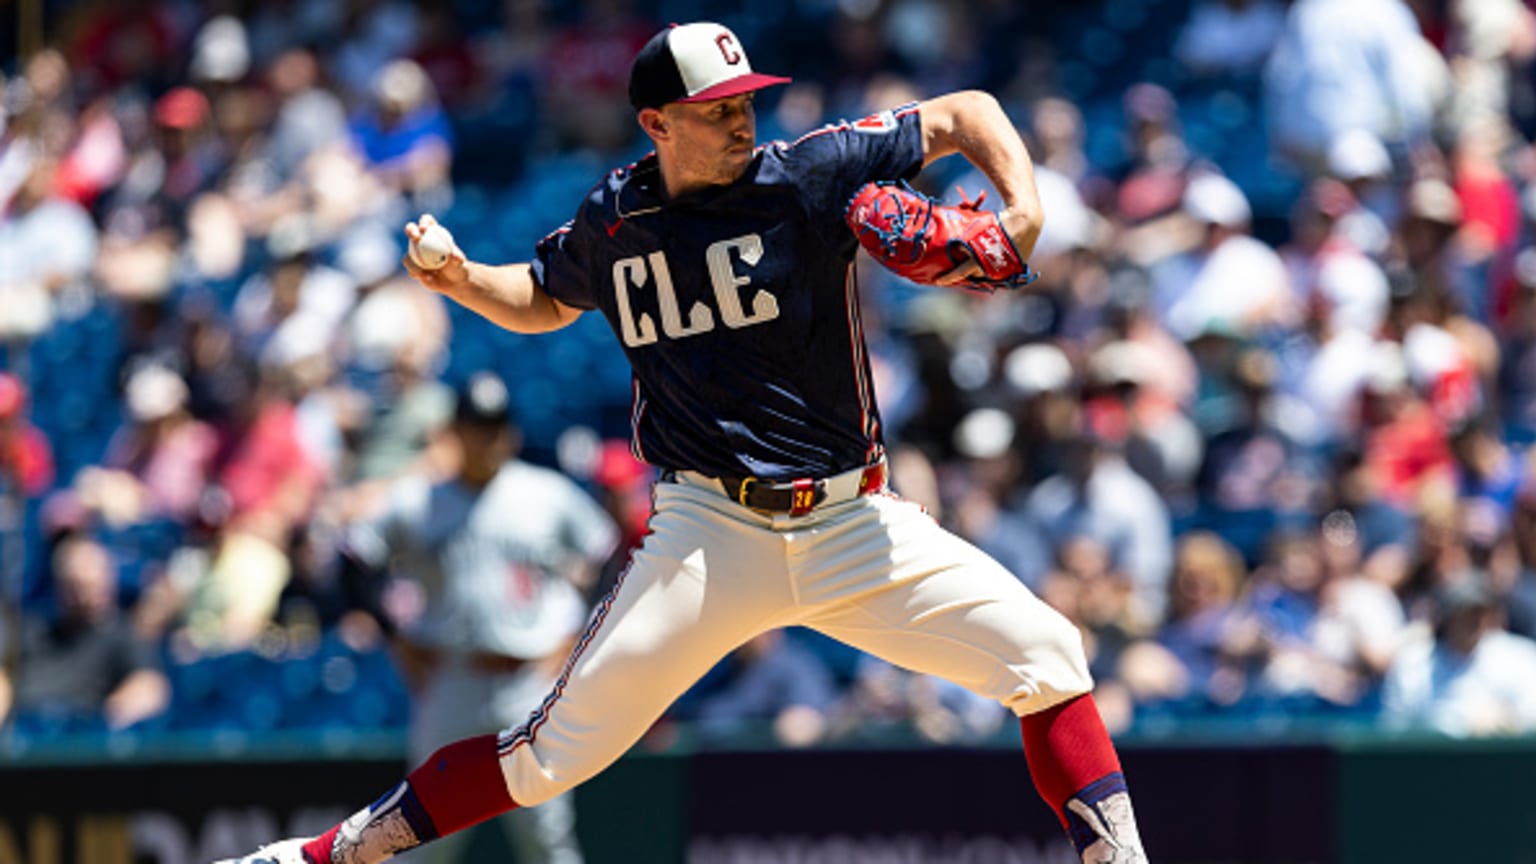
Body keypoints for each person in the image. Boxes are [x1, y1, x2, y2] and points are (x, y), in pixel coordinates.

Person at [220, 22, 1152, 864]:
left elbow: (966, 110)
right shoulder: (616, 216)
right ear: (657, 123)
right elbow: (545, 298)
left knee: (1050, 656)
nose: (741, 120)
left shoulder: (810, 171)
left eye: (746, 101)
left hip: (853, 519)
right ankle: (322, 860)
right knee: (547, 759)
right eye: (715, 110)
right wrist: (462, 277)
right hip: (711, 531)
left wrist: (1020, 212)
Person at [346, 371, 616, 864]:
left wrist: (578, 632)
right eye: (475, 425)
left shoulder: (544, 493)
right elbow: (353, 559)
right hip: (451, 678)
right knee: (424, 835)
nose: (486, 436)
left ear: (509, 431)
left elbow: (609, 553)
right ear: (455, 431)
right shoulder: (419, 499)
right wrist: (395, 638)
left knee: (546, 832)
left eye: (494, 425)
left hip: (528, 681)